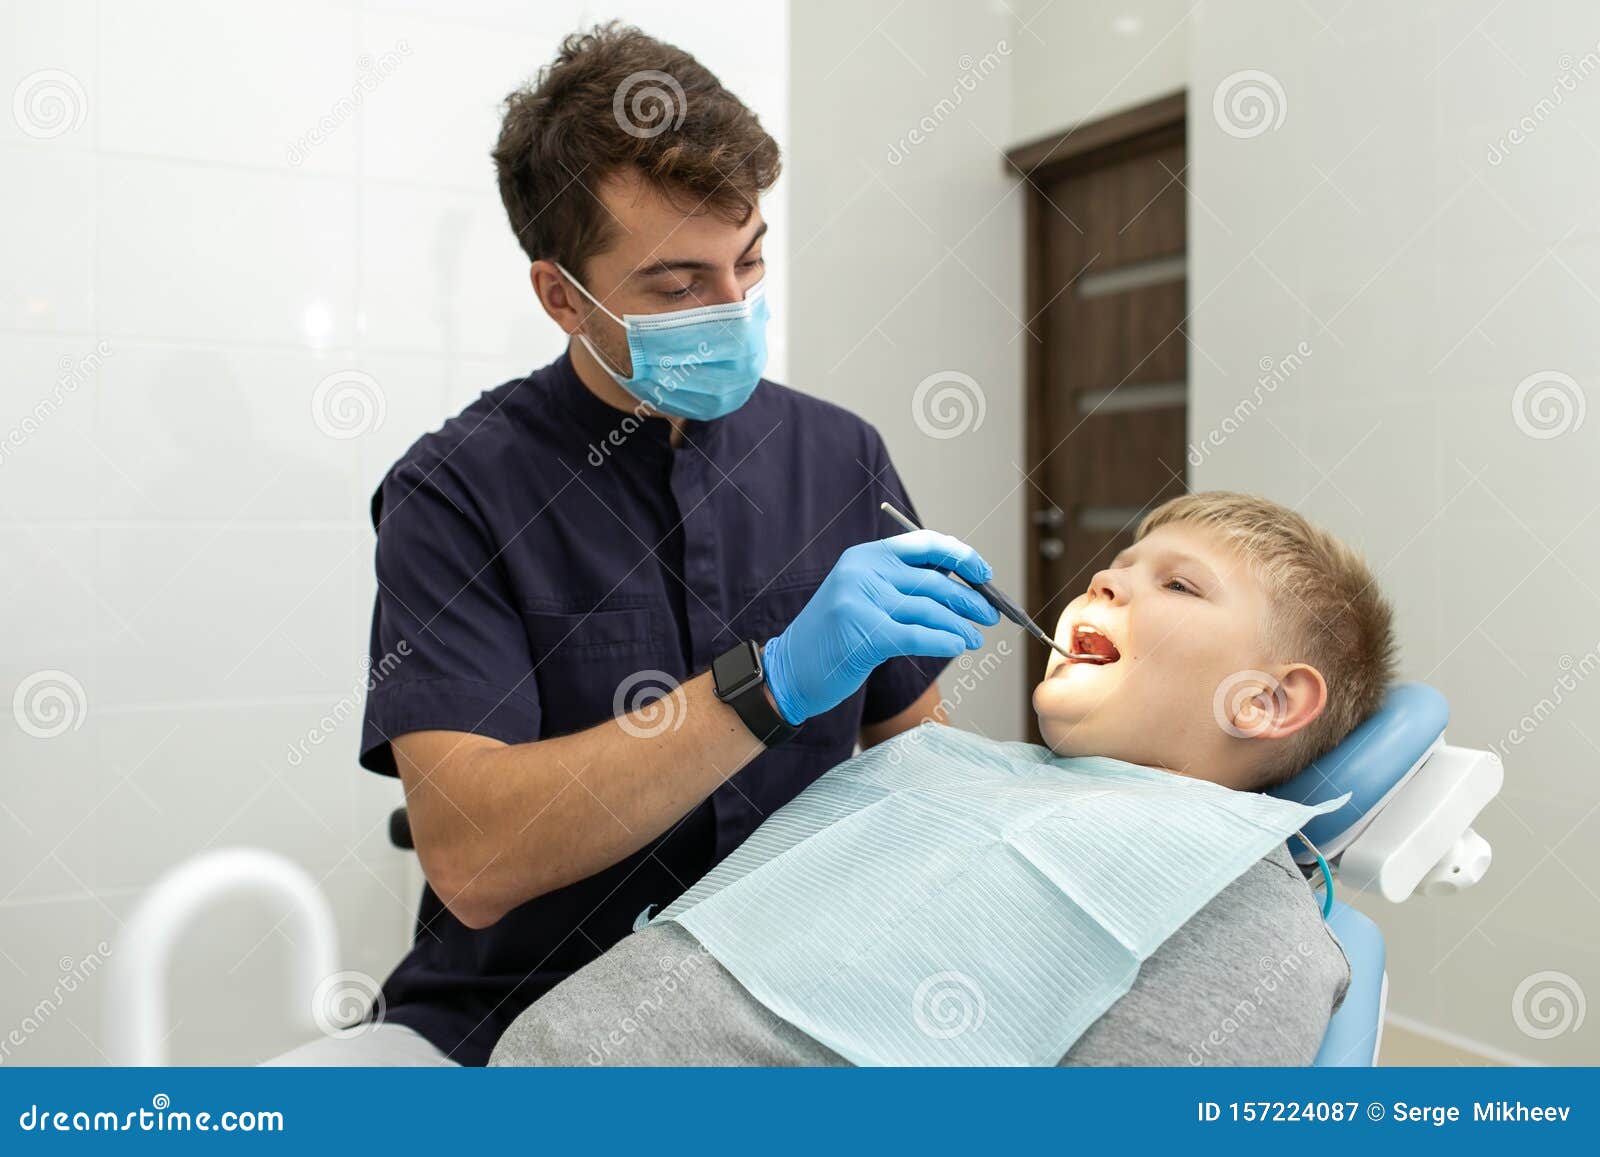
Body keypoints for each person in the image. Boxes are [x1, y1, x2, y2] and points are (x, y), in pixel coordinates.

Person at [264, 23, 999, 1067]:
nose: (734, 308)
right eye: (677, 285)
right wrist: (767, 687)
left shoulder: (838, 454)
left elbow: (915, 757)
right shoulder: (460, 490)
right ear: (562, 293)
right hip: (516, 1023)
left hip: (795, 1007)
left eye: (748, 261)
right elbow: (472, 855)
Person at [487, 492, 1398, 1066]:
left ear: (1269, 702)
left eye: (1179, 587)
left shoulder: (1237, 903)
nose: (1103, 587)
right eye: (1110, 572)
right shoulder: (942, 761)